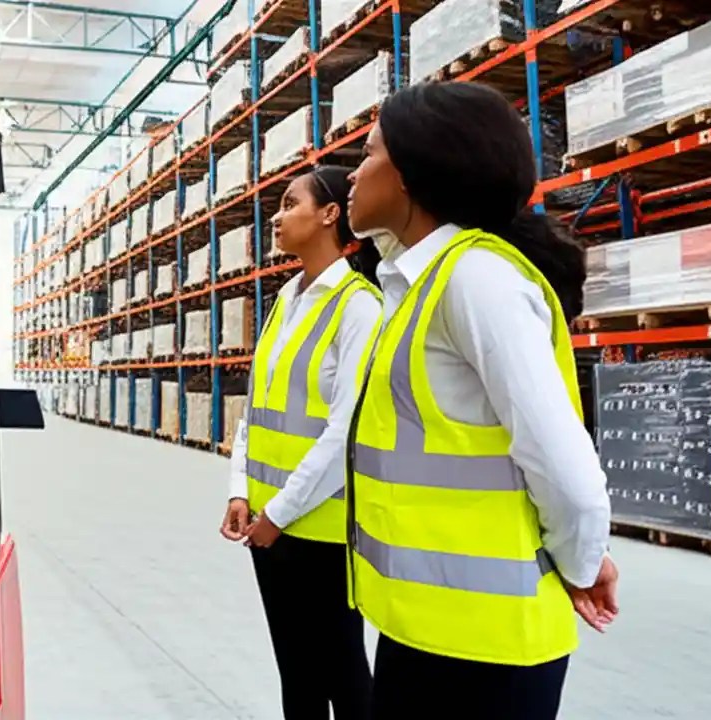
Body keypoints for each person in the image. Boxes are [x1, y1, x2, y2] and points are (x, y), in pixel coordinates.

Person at [344, 81, 619, 719]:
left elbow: (565, 466)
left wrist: (582, 562)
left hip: (489, 653)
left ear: (411, 174)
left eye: (369, 153)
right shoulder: (422, 285)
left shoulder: (477, 280)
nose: (353, 174)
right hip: (427, 627)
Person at [220, 166, 382, 720]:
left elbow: (345, 432)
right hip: (269, 525)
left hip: (323, 531)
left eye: (291, 203)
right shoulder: (285, 298)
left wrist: (281, 513)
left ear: (330, 214)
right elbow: (257, 406)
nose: (278, 215)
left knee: (343, 672)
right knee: (296, 671)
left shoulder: (360, 306)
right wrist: (239, 490)